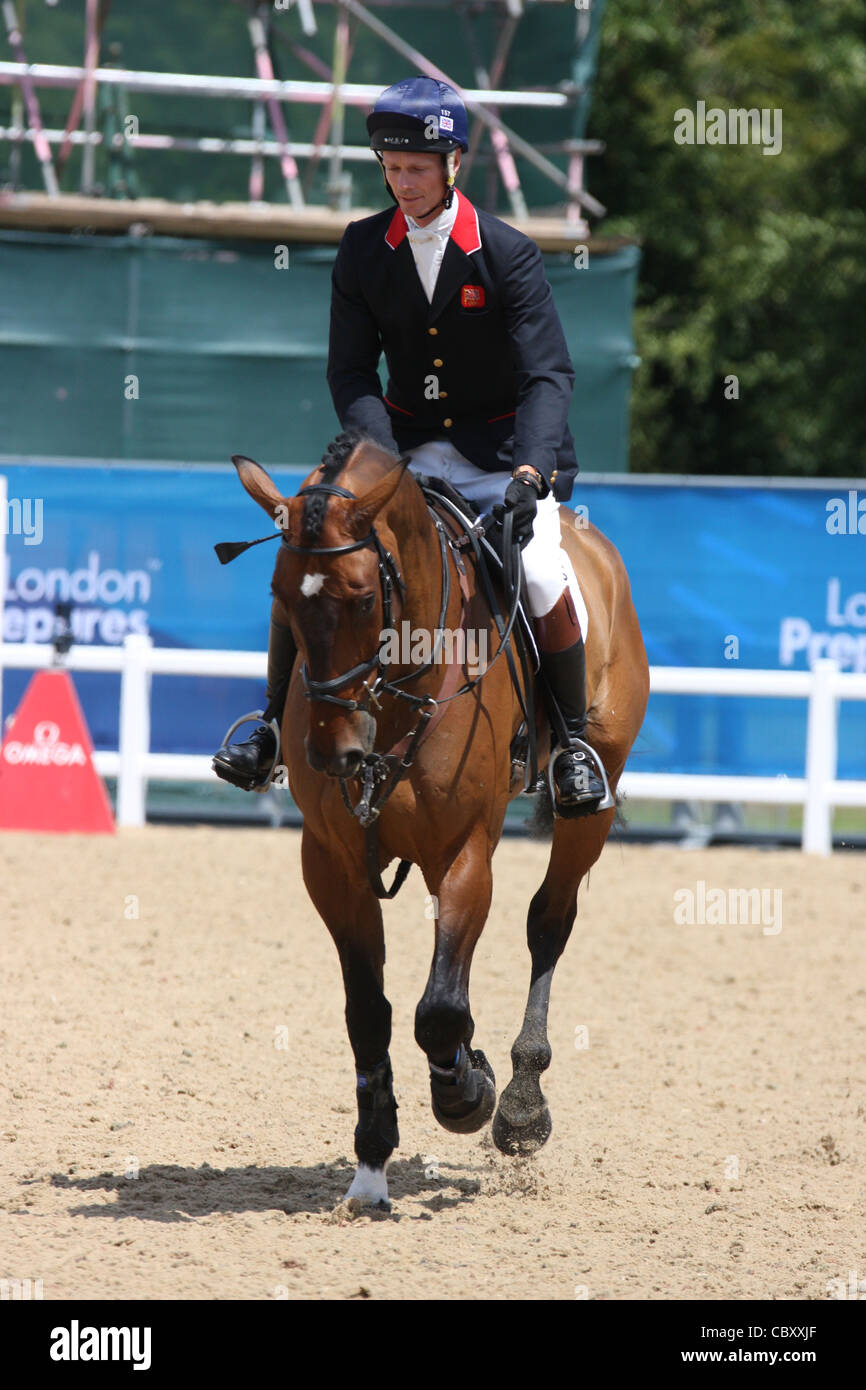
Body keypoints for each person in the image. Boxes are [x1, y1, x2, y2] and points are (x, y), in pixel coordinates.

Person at [213, 75, 607, 815]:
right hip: (405, 453)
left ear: (454, 163)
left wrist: (531, 472)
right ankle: (267, 726)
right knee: (311, 548)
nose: (403, 184)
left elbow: (547, 374)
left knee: (540, 570)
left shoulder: (508, 254)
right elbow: (351, 370)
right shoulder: (364, 247)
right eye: (391, 169)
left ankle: (573, 744)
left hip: (503, 458)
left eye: (417, 169)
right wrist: (383, 465)